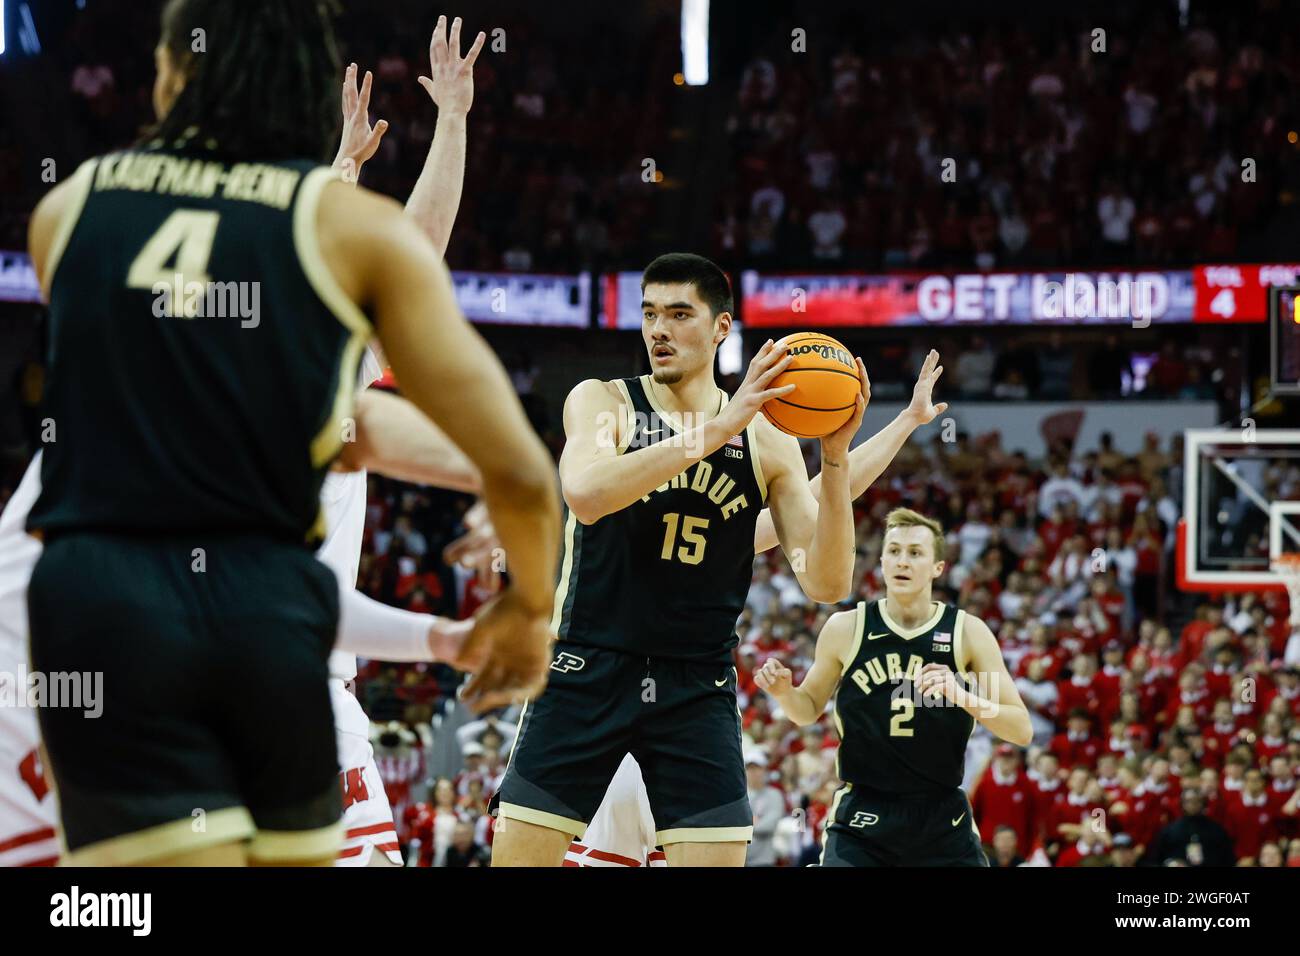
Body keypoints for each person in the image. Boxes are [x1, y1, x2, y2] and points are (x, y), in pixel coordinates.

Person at [22, 0, 559, 867]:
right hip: (268, 631)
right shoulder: (328, 281)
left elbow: (237, 254)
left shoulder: (71, 212)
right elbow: (383, 265)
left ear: (171, 76)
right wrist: (529, 600)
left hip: (100, 621)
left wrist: (354, 169)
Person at [450, 352, 949, 866]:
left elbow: (818, 499)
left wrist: (902, 423)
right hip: (600, 681)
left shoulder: (736, 513)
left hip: (687, 699)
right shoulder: (622, 444)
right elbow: (586, 489)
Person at [491, 252, 866, 867]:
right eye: (649, 314)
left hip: (696, 682)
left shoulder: (768, 439)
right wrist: (715, 431)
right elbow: (586, 495)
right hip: (586, 665)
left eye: (679, 314)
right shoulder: (604, 401)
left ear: (721, 328)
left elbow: (825, 582)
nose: (659, 330)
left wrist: (837, 456)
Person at [755, 508, 1033, 866]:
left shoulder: (968, 633)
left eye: (915, 553)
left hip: (940, 814)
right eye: (895, 551)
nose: (903, 560)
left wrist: (962, 695)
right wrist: (784, 694)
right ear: (882, 560)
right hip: (863, 813)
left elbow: (1020, 729)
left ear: (937, 568)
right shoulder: (846, 627)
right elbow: (807, 709)